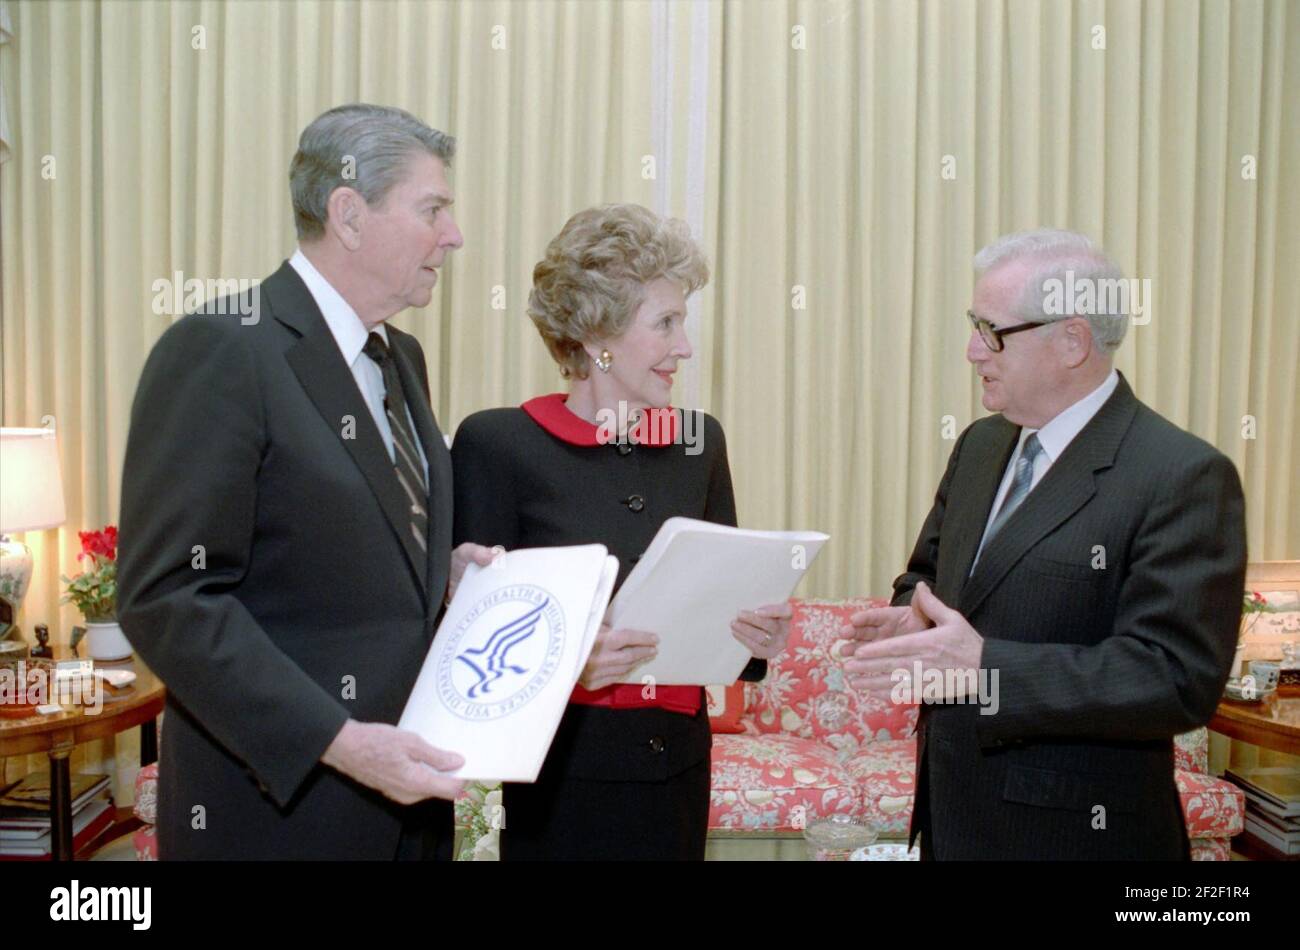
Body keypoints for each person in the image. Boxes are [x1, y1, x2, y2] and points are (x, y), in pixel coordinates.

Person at [117, 103, 495, 859]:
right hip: (281, 814)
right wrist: (340, 741)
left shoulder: (401, 357)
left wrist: (439, 568)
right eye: (432, 209)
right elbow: (167, 598)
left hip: (409, 808)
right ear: (348, 214)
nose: (453, 235)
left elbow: (355, 536)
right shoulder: (223, 348)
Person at [842, 229, 1247, 860]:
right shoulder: (981, 445)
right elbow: (926, 577)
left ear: (1072, 340)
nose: (972, 350)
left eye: (992, 331)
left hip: (1074, 836)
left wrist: (985, 667)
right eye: (973, 325)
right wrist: (911, 619)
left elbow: (1174, 678)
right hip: (952, 820)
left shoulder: (1181, 476)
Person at [451, 203, 791, 859]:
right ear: (595, 334)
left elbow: (723, 613)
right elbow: (469, 649)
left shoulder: (700, 443)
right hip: (562, 786)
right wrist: (567, 667)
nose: (684, 347)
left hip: (681, 771)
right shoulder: (497, 444)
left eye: (683, 322)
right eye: (665, 323)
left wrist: (755, 637)